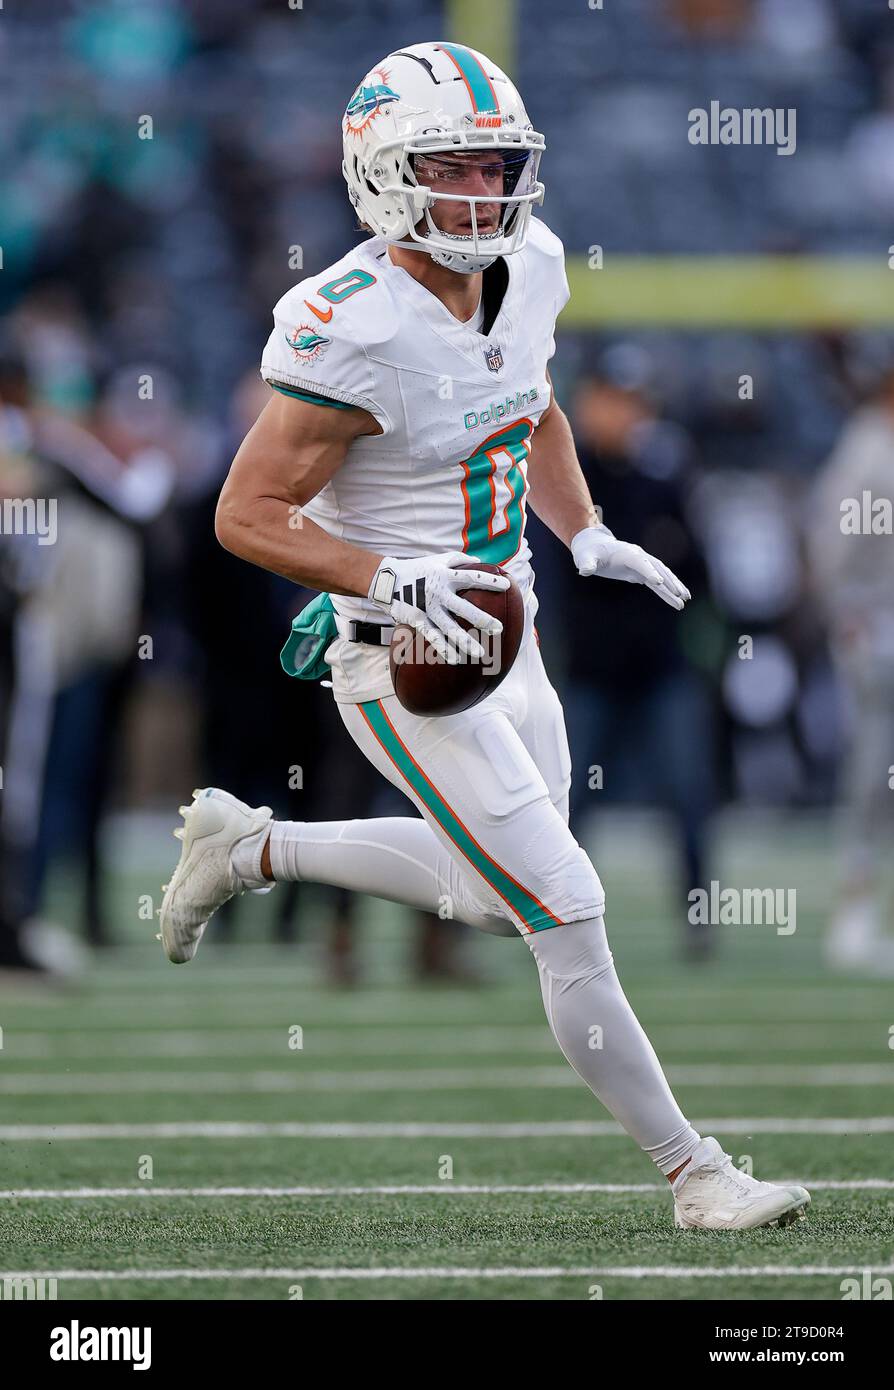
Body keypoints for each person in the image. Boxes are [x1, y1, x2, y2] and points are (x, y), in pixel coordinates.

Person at [157, 42, 808, 1230]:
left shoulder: (533, 262)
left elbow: (534, 400)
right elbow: (244, 514)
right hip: (404, 659)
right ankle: (694, 1171)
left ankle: (248, 851)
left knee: (500, 897)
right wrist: (384, 574)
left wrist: (587, 529)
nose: (483, 192)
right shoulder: (348, 325)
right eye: (452, 166)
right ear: (383, 176)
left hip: (510, 625)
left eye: (497, 165)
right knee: (567, 903)